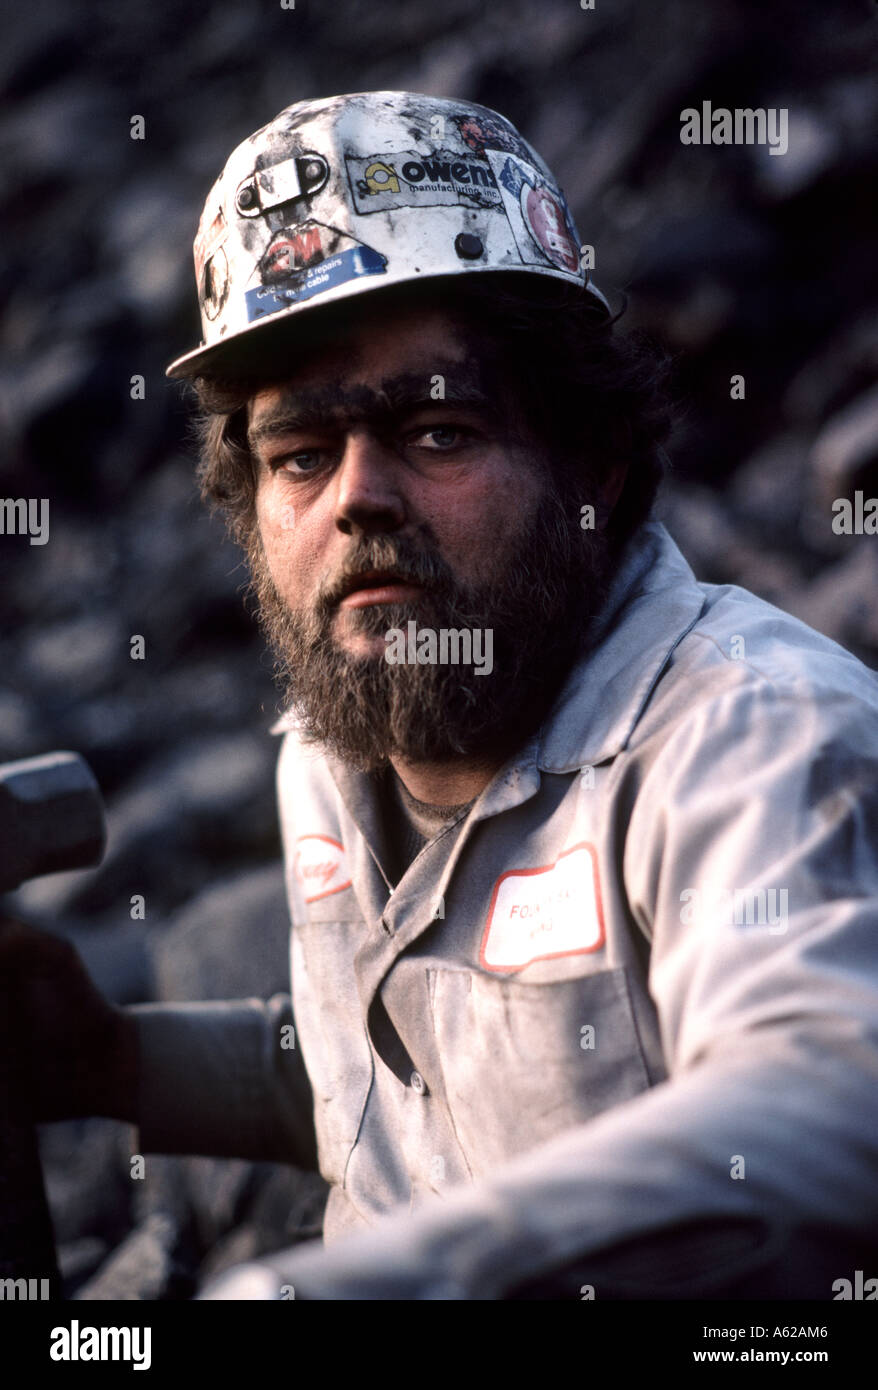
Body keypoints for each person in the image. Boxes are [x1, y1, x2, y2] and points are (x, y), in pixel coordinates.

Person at [4, 91, 878, 1301]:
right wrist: (115, 1060)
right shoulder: (330, 754)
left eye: (436, 431)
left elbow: (825, 1103)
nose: (356, 498)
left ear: (592, 461)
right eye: (300, 456)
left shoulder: (747, 737)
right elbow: (410, 1083)